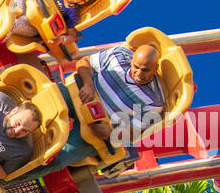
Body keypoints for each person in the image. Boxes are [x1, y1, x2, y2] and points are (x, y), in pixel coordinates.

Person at [32, 43, 166, 178]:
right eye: (136, 67)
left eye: (145, 70)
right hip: (78, 96)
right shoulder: (118, 55)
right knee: (38, 103)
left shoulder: (153, 102)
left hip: (95, 128)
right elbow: (84, 62)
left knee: (57, 159)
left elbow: (132, 133)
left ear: (156, 69)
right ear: (132, 60)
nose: (138, 73)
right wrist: (88, 84)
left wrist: (110, 134)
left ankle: (15, 177)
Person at [10, 0, 99, 51]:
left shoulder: (72, 11)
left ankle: (5, 28)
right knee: (15, 0)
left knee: (16, 23)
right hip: (27, 4)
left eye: (83, 1)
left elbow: (72, 36)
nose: (78, 0)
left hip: (35, 23)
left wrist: (62, 39)